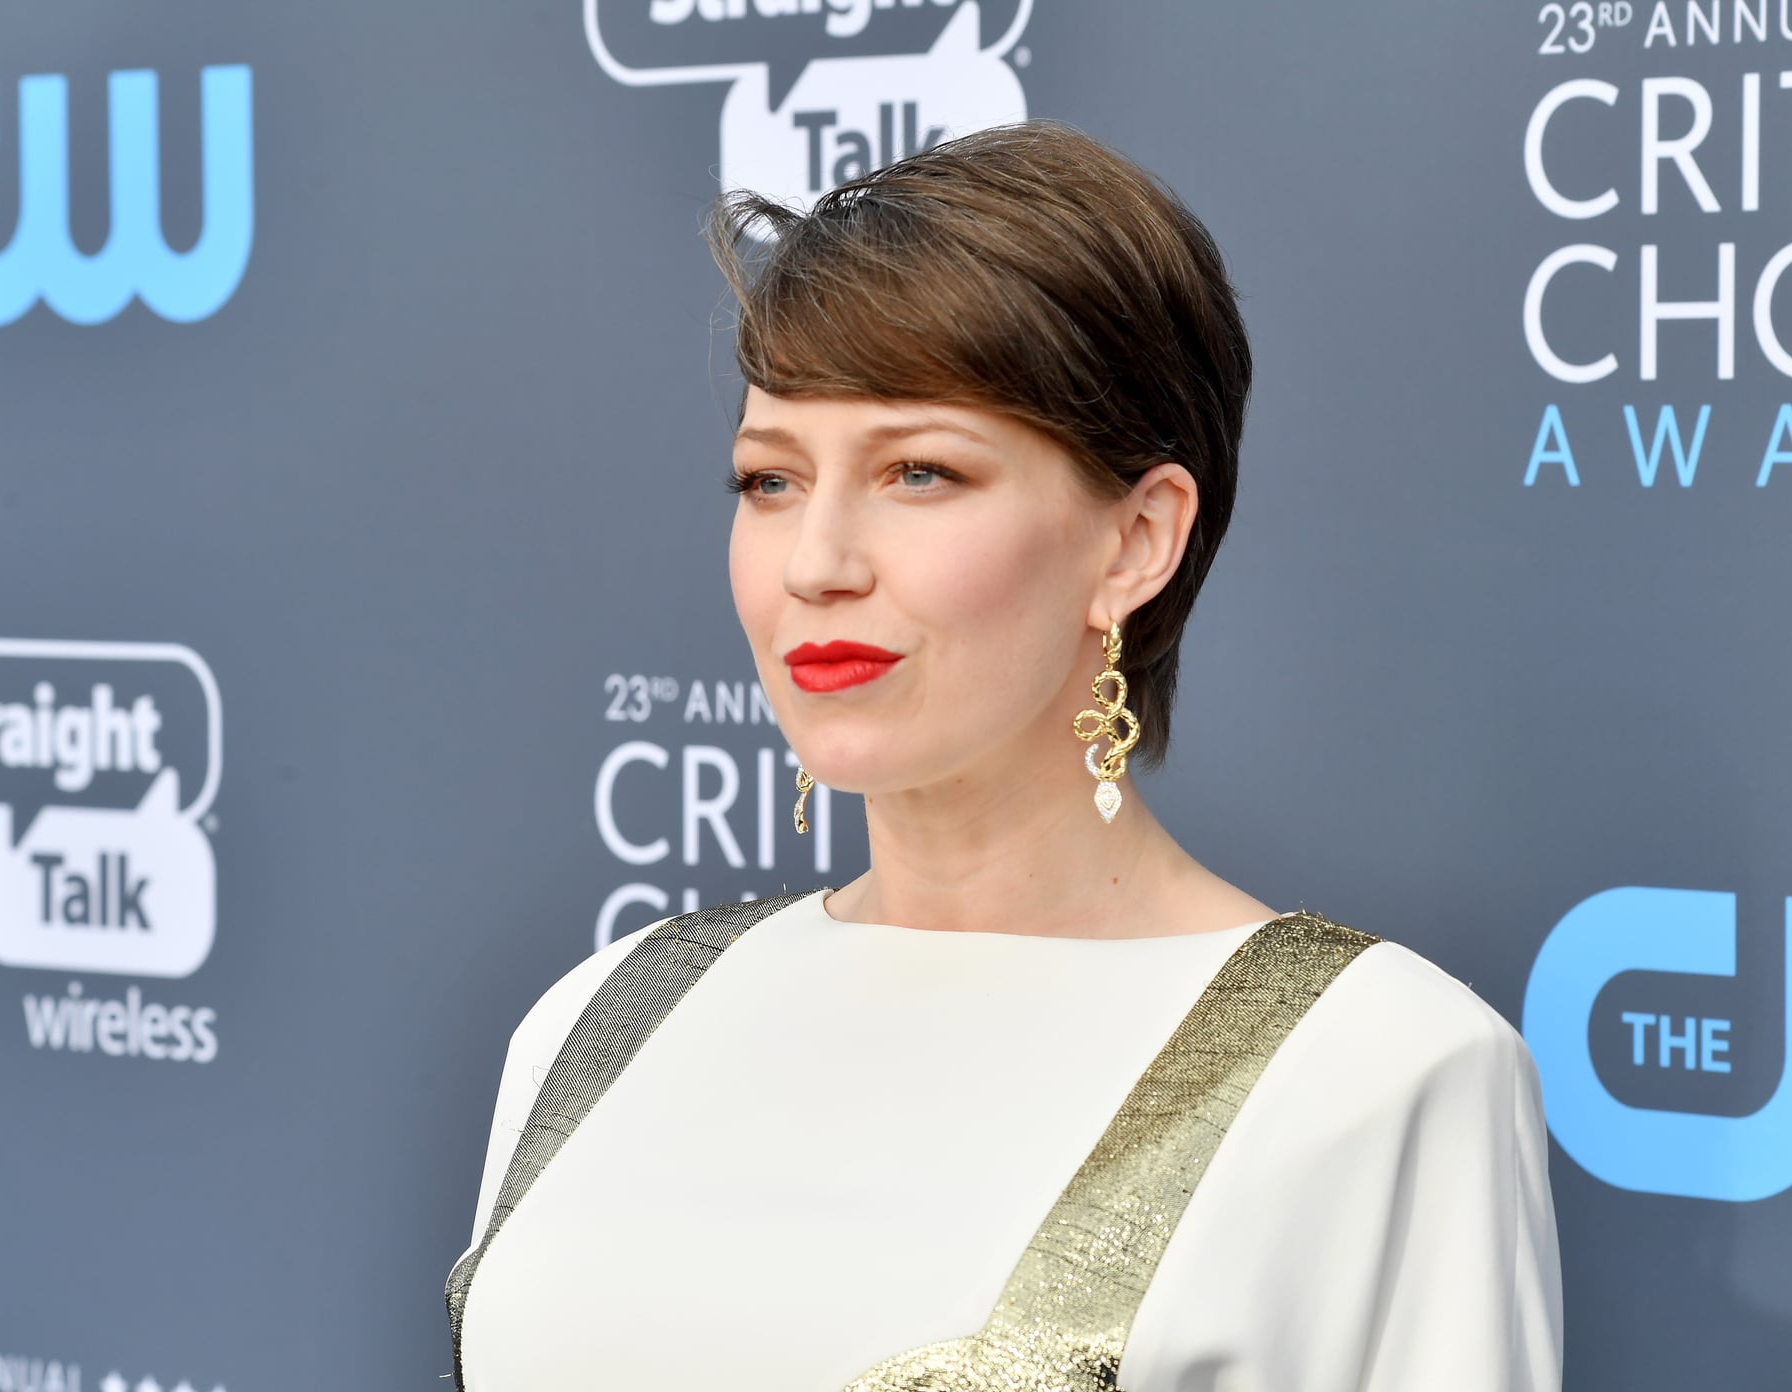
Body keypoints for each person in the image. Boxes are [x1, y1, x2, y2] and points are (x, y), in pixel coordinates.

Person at [446, 120, 1562, 1390]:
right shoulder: (601, 1019)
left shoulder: (1375, 1070)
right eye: (768, 482)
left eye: (919, 473)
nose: (816, 564)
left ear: (1137, 540)